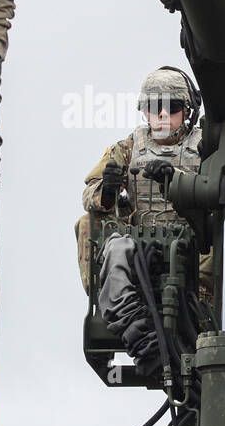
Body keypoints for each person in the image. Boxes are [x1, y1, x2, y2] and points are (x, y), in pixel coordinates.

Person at [76, 66, 212, 299]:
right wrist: (108, 191)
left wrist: (176, 179)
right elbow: (89, 195)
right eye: (154, 107)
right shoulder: (129, 148)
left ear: (188, 111)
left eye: (172, 107)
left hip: (193, 238)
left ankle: (202, 299)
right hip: (140, 239)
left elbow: (220, 191)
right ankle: (108, 296)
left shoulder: (206, 147)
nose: (162, 115)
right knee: (87, 222)